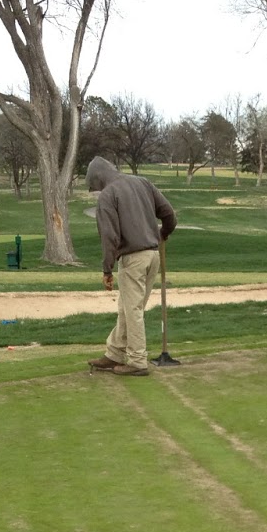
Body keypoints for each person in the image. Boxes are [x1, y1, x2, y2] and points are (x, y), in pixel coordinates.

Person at [84, 156, 177, 376]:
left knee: (132, 310)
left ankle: (137, 361)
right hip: (153, 256)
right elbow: (169, 214)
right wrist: (163, 233)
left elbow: (109, 236)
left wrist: (107, 269)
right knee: (127, 308)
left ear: (98, 178)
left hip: (133, 259)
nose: (96, 191)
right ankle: (115, 353)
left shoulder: (108, 195)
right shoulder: (141, 182)